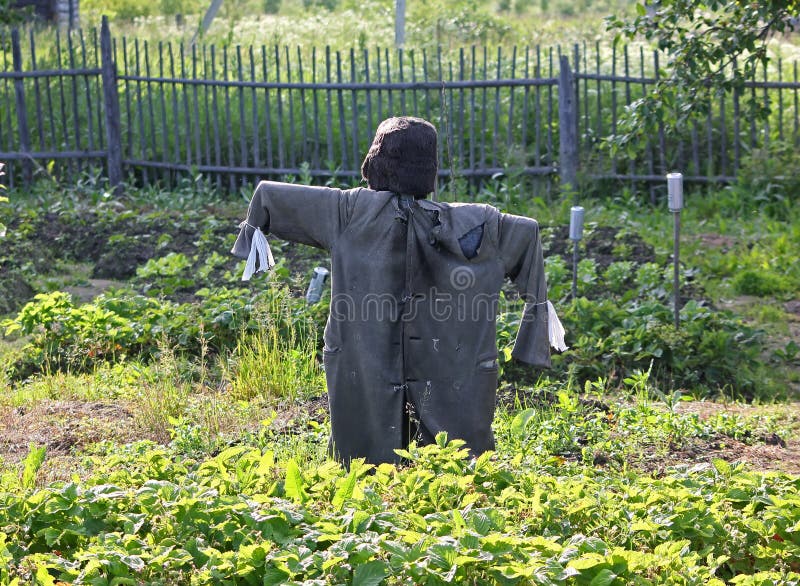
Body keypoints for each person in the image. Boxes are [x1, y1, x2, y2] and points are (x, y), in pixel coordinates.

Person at [231, 116, 564, 466]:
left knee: (360, 465)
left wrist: (251, 235)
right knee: (456, 462)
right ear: (429, 170)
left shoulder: (347, 211)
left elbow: (268, 195)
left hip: (361, 360)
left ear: (376, 164)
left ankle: (371, 473)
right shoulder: (481, 223)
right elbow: (527, 232)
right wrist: (534, 326)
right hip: (436, 364)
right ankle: (452, 471)